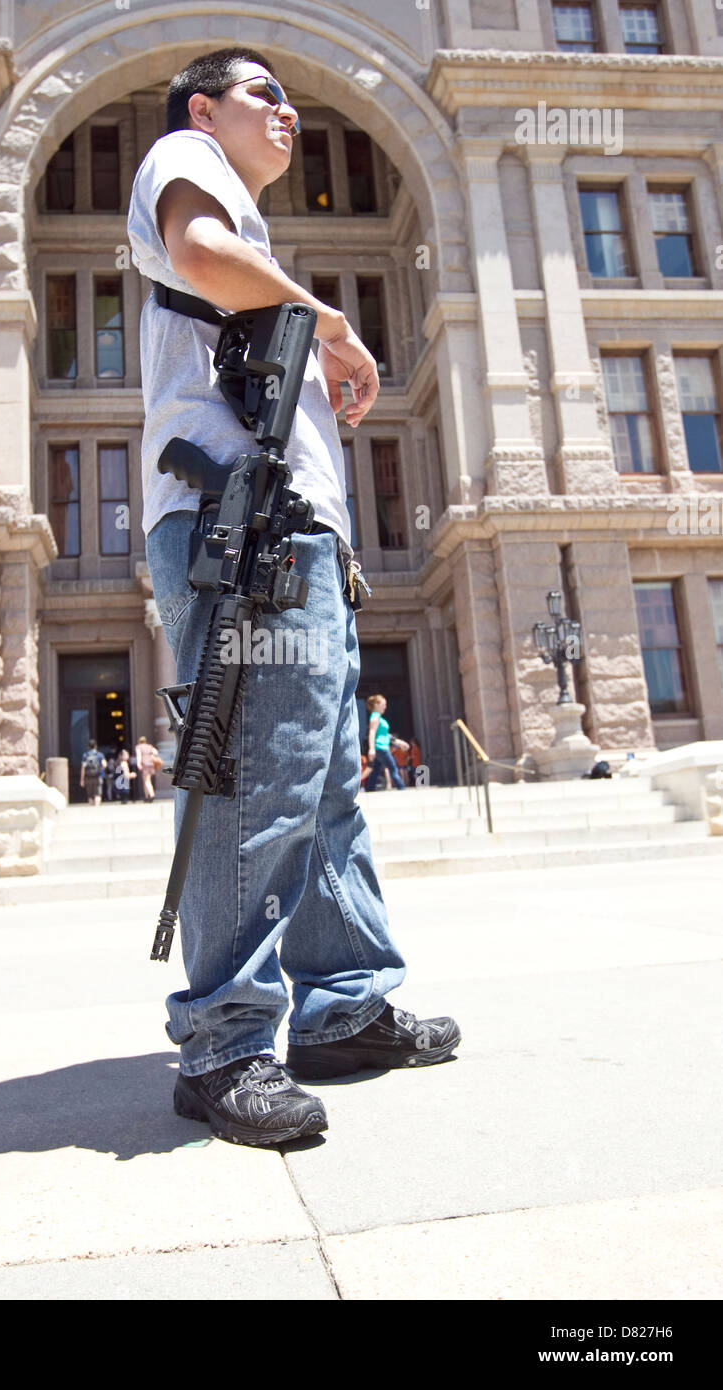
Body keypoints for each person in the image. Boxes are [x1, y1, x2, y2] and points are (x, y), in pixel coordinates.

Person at [128, 48, 460, 1147]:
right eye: (261, 93)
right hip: (242, 532)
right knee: (253, 779)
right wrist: (329, 322)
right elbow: (199, 254)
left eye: (290, 98)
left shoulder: (249, 217)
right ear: (202, 109)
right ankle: (225, 1041)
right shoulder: (186, 158)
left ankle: (343, 1005)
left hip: (290, 535)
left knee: (321, 785)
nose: (287, 110)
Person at [365, 694, 408, 791]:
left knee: (375, 771)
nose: (385, 707)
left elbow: (385, 735)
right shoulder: (375, 717)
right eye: (383, 704)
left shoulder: (378, 718)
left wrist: (399, 742)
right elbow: (372, 733)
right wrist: (371, 749)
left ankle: (369, 790)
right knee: (393, 769)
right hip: (381, 748)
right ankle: (402, 788)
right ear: (376, 704)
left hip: (380, 748)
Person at [79, 739, 106, 806]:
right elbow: (104, 765)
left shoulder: (85, 755)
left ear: (88, 747)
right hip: (97, 776)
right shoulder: (100, 755)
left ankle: (91, 808)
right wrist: (100, 770)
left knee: (90, 796)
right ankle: (96, 808)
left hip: (88, 777)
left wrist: (82, 780)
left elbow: (83, 768)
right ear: (96, 746)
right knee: (98, 794)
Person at [135, 735, 160, 803]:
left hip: (145, 764)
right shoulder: (149, 746)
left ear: (139, 741)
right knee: (146, 780)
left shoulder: (139, 747)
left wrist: (138, 763)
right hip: (151, 764)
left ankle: (151, 794)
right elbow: (156, 752)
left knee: (146, 781)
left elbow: (139, 755)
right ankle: (146, 796)